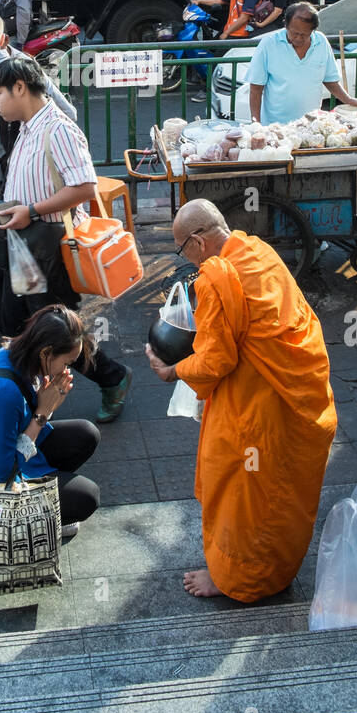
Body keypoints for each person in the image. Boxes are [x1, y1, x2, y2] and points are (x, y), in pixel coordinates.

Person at [145, 199, 337, 601]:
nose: (188, 260)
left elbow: (216, 360)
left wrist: (171, 371)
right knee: (281, 490)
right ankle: (277, 570)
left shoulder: (216, 276)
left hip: (256, 407)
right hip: (297, 395)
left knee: (242, 488)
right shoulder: (256, 249)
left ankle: (238, 580)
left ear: (197, 242)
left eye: (183, 250)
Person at [0, 54, 132, 424]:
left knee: (56, 331)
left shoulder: (59, 129)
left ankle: (112, 376)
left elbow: (84, 187)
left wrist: (32, 210)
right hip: (25, 245)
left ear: (20, 87)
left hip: (49, 246)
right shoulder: (28, 125)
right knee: (17, 324)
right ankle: (31, 398)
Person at [0, 11, 76, 343]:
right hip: (37, 189)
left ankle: (33, 340)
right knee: (34, 270)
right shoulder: (27, 67)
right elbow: (70, 113)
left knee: (5, 272)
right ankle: (39, 337)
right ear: (4, 39)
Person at [0, 305, 101, 549]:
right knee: (86, 497)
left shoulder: (17, 358)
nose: (67, 370)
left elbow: (22, 426)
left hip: (10, 456)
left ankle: (47, 514)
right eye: (67, 362)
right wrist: (43, 413)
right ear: (46, 353)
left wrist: (47, 405)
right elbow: (4, 472)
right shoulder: (2, 392)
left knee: (86, 435)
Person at [247, 2, 357, 125]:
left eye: (304, 35)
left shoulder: (321, 42)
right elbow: (255, 88)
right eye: (294, 33)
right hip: (275, 126)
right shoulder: (268, 44)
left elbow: (330, 80)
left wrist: (349, 100)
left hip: (311, 124)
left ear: (313, 31)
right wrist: (256, 123)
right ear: (286, 26)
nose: (298, 38)